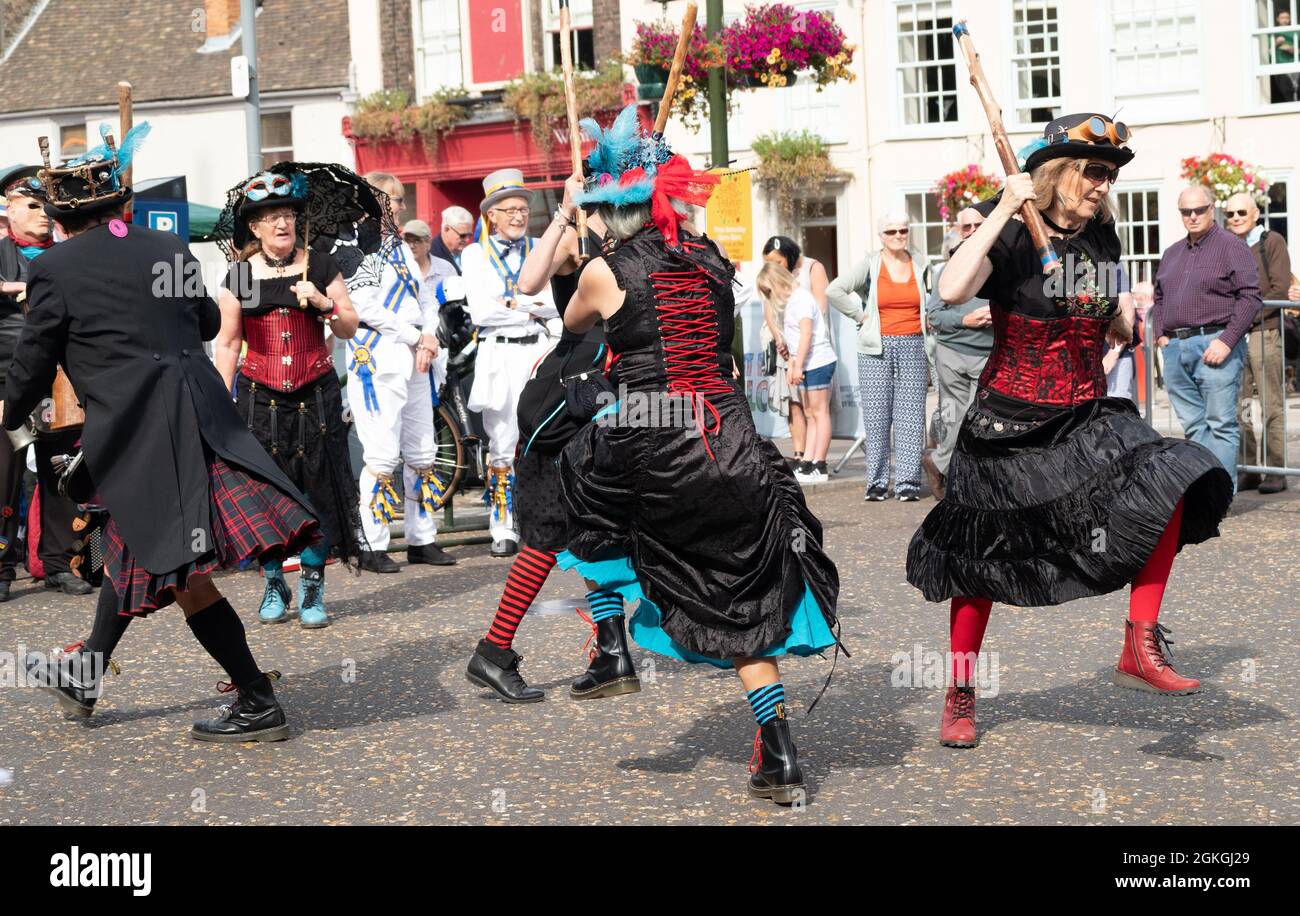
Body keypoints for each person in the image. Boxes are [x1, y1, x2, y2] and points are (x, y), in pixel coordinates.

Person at [907, 113, 1233, 750]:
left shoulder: (1100, 243)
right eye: (1094, 172)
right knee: (980, 567)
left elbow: (1112, 321)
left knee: (1173, 472)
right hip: (1008, 424)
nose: (1103, 185)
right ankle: (961, 691)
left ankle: (1139, 645)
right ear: (1057, 174)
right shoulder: (1013, 239)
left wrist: (1124, 314)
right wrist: (1002, 208)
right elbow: (949, 288)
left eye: (1110, 175)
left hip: (1083, 416)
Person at [555, 105, 841, 805]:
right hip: (732, 435)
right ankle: (778, 754)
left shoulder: (603, 269)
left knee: (572, 481)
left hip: (654, 430)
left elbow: (571, 325)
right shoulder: (714, 259)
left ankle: (612, 642)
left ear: (609, 208)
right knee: (732, 594)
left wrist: (576, 232)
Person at [12, 127, 314, 740]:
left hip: (141, 428)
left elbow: (36, 359)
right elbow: (205, 318)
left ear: (64, 215)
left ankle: (257, 699)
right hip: (199, 411)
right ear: (120, 205)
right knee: (141, 550)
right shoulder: (168, 246)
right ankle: (87, 674)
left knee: (179, 566)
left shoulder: (56, 268)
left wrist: (7, 407)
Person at [464, 161, 640, 702]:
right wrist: (565, 212)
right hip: (557, 405)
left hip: (606, 398)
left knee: (596, 528)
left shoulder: (636, 251)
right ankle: (494, 652)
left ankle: (612, 651)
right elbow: (528, 282)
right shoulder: (576, 243)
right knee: (548, 535)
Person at [214, 169, 366, 629]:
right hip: (260, 399)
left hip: (316, 394)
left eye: (287, 214)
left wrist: (324, 304)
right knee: (268, 494)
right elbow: (227, 343)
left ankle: (314, 587)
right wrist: (221, 400)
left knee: (318, 489)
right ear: (254, 227)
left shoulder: (320, 265)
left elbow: (349, 325)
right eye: (270, 216)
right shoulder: (239, 275)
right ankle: (274, 582)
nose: (281, 223)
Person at [345, 171, 455, 573]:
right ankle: (372, 543)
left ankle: (421, 538)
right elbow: (364, 306)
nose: (401, 206)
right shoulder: (352, 246)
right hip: (377, 354)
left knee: (423, 449)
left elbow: (425, 294)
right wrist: (415, 336)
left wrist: (428, 333)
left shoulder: (402, 247)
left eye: (402, 199)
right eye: (394, 198)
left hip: (415, 355)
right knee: (382, 452)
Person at [0, 164, 92, 599]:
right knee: (4, 477)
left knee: (62, 476)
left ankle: (61, 563)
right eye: (31, 205)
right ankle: (1, 567)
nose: (41, 214)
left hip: (62, 386)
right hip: (7, 384)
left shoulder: (69, 254)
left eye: (45, 206)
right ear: (9, 211)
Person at [462, 168, 558, 557]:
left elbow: (556, 305)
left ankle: (539, 521)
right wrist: (532, 309)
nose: (518, 216)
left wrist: (517, 304)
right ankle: (502, 526)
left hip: (537, 351)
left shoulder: (541, 247)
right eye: (510, 210)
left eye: (523, 208)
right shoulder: (474, 253)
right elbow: (483, 312)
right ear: (491, 215)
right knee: (503, 441)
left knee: (541, 437)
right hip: (499, 354)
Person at [1152, 185, 1260, 489]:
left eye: (1199, 210)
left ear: (1211, 209)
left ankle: (1222, 497)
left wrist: (1227, 340)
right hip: (1176, 348)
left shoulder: (1232, 246)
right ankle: (1204, 495)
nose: (1193, 216)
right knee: (1194, 426)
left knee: (1221, 425)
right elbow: (1159, 298)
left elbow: (1251, 297)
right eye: (1186, 211)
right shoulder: (1172, 252)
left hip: (1215, 343)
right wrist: (1161, 335)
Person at [828, 213, 931, 501]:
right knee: (877, 418)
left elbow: (933, 297)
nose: (898, 235)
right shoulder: (871, 264)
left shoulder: (921, 263)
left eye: (902, 230)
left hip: (914, 344)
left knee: (911, 418)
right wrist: (860, 316)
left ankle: (908, 483)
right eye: (891, 231)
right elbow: (834, 290)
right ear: (881, 236)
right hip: (876, 347)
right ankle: (876, 483)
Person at [923, 207, 994, 501]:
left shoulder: (1000, 266)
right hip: (952, 354)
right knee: (954, 416)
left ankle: (942, 465)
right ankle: (950, 473)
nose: (974, 231)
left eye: (979, 224)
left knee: (980, 418)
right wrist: (964, 320)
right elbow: (934, 317)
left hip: (988, 354)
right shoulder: (947, 269)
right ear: (959, 230)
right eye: (967, 227)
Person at [1224, 191, 1290, 494]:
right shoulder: (1225, 247)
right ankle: (1249, 468)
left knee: (1270, 404)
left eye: (1241, 213)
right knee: (1239, 406)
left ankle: (1276, 470)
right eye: (1230, 214)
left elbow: (1280, 288)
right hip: (1235, 336)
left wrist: (1245, 316)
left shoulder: (1271, 242)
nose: (1235, 218)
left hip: (1266, 330)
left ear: (1255, 215)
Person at [757, 261, 835, 484]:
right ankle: (808, 461)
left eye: (768, 290)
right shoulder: (791, 301)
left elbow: (807, 334)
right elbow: (794, 339)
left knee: (819, 412)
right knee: (810, 413)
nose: (768, 296)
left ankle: (819, 463)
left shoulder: (800, 298)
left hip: (818, 361)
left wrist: (797, 364)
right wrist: (793, 363)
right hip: (806, 362)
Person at [403, 218, 458, 290]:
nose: (411, 246)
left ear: (428, 242)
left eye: (417, 241)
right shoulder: (398, 270)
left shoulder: (446, 269)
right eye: (407, 241)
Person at [431, 205, 475, 274]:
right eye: (462, 235)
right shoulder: (431, 255)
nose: (467, 240)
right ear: (446, 229)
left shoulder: (471, 254)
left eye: (469, 235)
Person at [1271, 9, 1300, 103]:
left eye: (1287, 18)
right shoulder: (1273, 32)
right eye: (1282, 18)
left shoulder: (1296, 32)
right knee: (1286, 93)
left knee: (1297, 91)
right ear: (1277, 19)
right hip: (1280, 67)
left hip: (1296, 66)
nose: (1285, 20)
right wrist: (1276, 42)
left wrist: (1292, 49)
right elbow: (1268, 52)